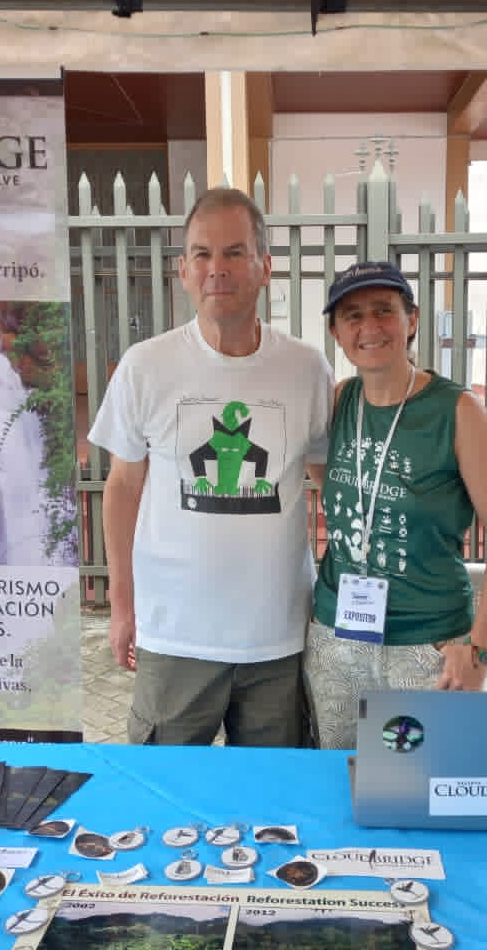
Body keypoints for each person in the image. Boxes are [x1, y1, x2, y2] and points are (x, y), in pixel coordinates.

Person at [88, 187, 334, 747]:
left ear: (265, 266)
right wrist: (121, 606)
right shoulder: (145, 367)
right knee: (169, 805)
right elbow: (123, 488)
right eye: (202, 254)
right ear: (183, 270)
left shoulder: (305, 369)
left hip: (278, 637)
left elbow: (332, 487)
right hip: (174, 637)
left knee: (272, 809)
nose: (217, 269)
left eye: (234, 252)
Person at [305, 260, 487, 749]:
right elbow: (332, 487)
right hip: (338, 641)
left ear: (413, 320)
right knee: (339, 786)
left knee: (424, 792)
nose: (369, 328)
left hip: (429, 648)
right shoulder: (339, 403)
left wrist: (479, 649)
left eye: (384, 311)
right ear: (337, 333)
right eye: (352, 316)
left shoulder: (457, 411)